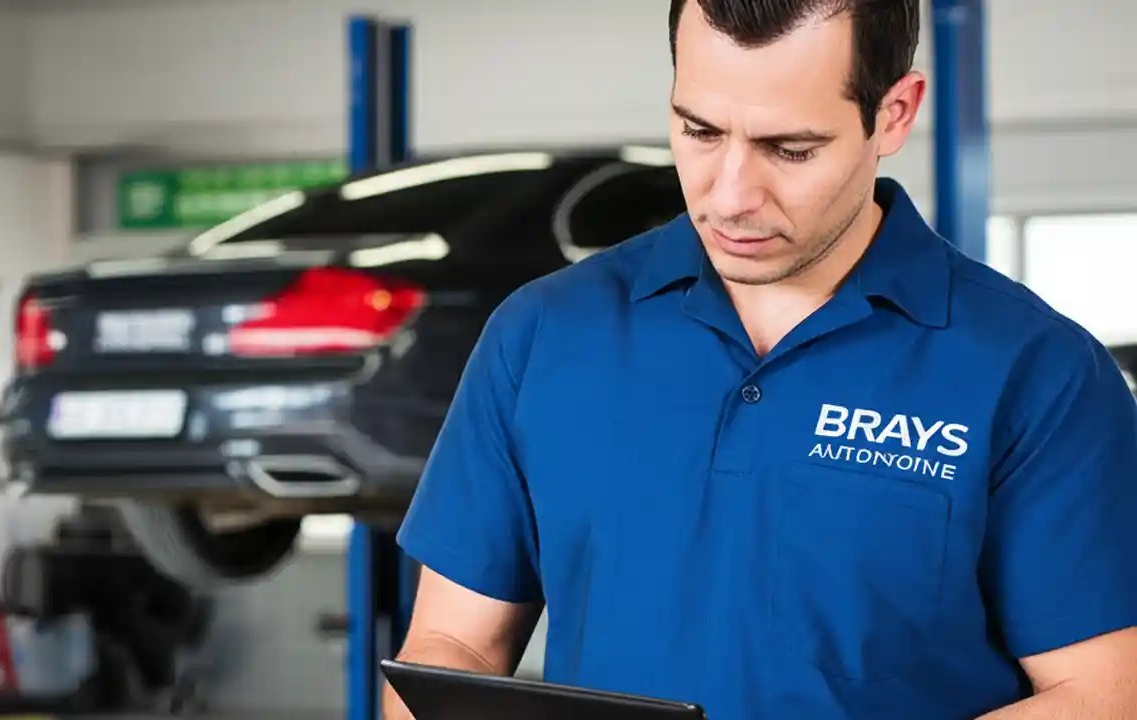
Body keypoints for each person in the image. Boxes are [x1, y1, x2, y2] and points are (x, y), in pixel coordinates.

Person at [385, 1, 1137, 718]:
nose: (733, 196)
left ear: (895, 113)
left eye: (790, 148)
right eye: (700, 131)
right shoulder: (543, 336)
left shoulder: (1038, 374)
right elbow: (453, 644)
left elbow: (1106, 692)